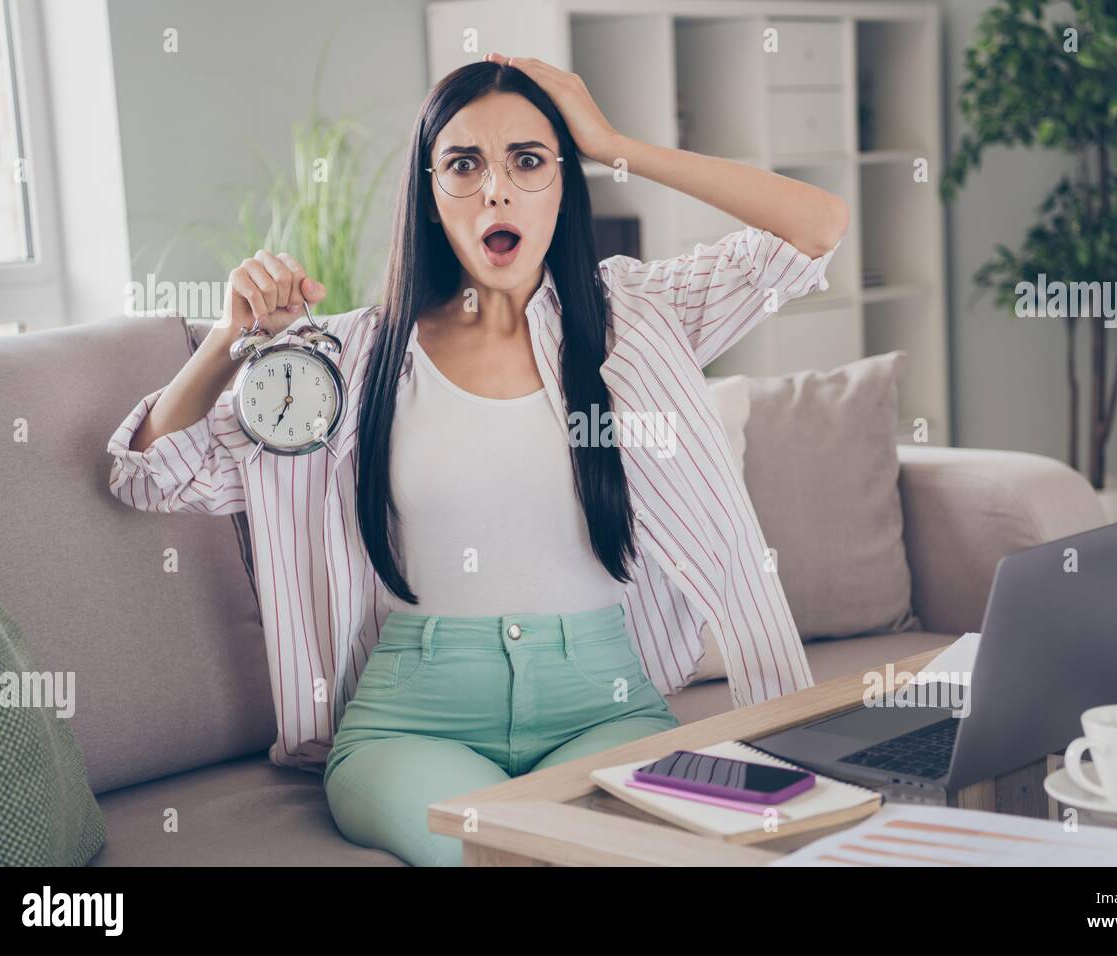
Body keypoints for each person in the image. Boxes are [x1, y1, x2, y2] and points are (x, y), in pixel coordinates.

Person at [107, 52, 848, 866]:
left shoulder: (635, 318)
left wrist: (611, 142)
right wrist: (226, 339)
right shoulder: (352, 358)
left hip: (601, 707)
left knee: (629, 851)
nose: (496, 188)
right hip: (412, 720)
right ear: (429, 195)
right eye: (463, 164)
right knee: (504, 853)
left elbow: (814, 229)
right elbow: (150, 474)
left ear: (563, 186)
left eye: (527, 161)